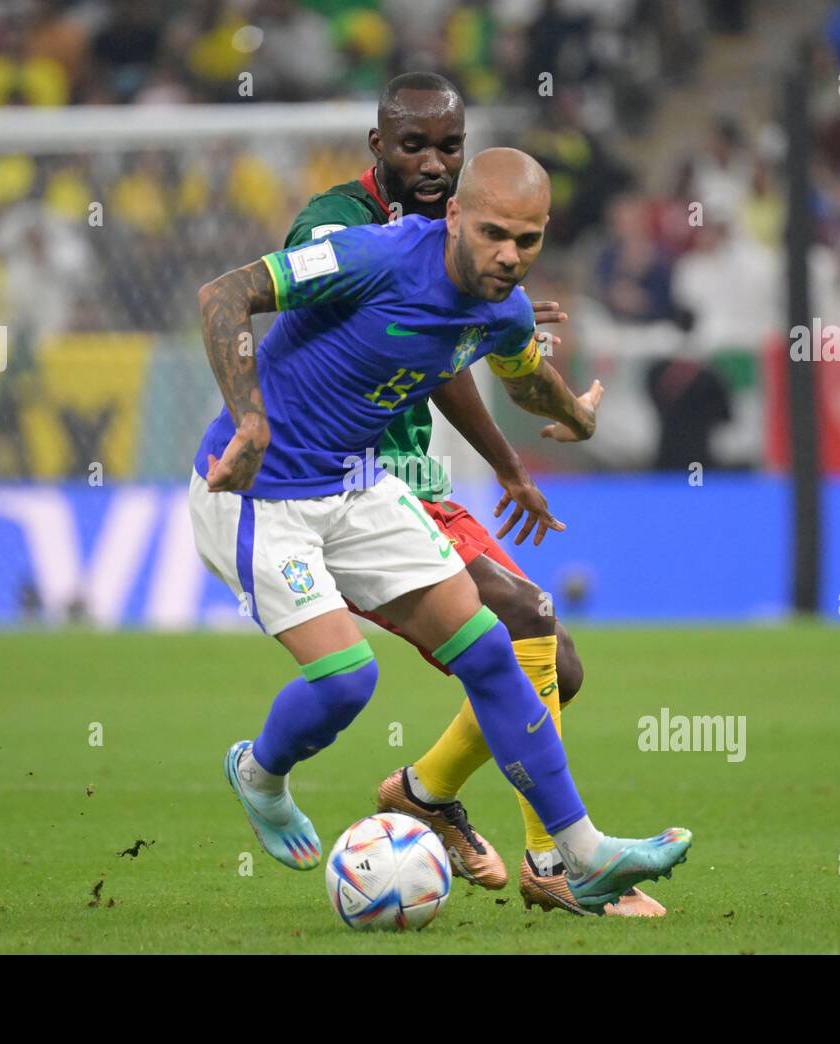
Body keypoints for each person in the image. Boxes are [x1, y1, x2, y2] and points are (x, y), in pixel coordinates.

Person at [189, 147, 693, 913]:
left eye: (528, 241)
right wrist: (251, 420)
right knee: (349, 681)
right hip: (257, 490)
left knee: (496, 653)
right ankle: (259, 772)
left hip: (355, 485)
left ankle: (581, 857)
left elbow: (528, 379)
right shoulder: (373, 256)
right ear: (454, 214)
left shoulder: (505, 308)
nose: (508, 255)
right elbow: (223, 295)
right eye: (493, 232)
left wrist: (578, 415)